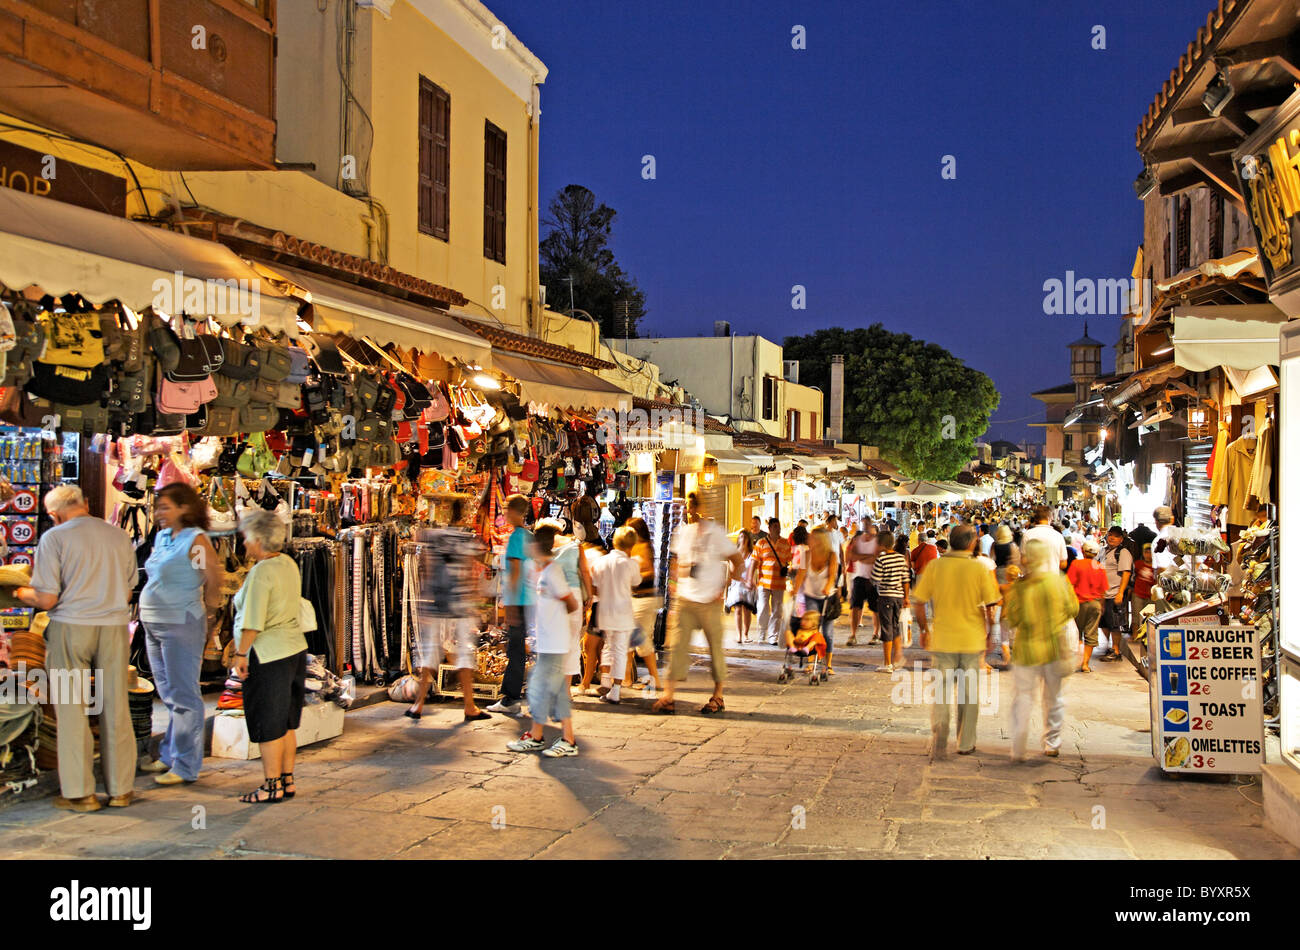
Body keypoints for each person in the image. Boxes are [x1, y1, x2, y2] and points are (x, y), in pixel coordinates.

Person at [14, 485, 137, 812]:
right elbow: (127, 593)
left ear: (54, 515)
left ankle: (81, 794)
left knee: (71, 707)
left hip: (72, 626)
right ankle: (121, 790)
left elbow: (47, 598)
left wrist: (21, 593)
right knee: (115, 705)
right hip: (113, 627)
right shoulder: (118, 536)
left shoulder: (54, 539)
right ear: (84, 504)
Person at [137, 483, 224, 786]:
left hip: (181, 622)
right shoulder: (162, 537)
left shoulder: (196, 540)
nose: (159, 512)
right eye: (158, 507)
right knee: (169, 692)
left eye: (165, 507)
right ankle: (169, 754)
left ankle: (186, 764)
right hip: (153, 622)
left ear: (184, 508)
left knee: (185, 693)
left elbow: (212, 581)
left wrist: (210, 619)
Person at [231, 508, 309, 804]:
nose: (244, 544)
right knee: (286, 722)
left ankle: (271, 785)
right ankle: (287, 780)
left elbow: (253, 619)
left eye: (246, 538)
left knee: (267, 723)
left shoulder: (261, 571)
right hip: (293, 649)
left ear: (257, 538)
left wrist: (240, 654)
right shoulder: (288, 563)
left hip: (267, 653)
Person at [910, 525, 1000, 759]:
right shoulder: (978, 568)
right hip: (971, 639)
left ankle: (940, 727)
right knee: (969, 694)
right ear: (971, 543)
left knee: (941, 689)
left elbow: (918, 602)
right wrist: (990, 633)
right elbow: (991, 605)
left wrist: (923, 629)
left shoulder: (936, 567)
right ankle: (965, 741)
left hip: (943, 638)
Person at [654, 492, 742, 715]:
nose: (691, 510)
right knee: (677, 647)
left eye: (694, 505)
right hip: (686, 597)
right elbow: (676, 561)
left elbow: (737, 561)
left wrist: (725, 585)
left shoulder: (717, 533)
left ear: (703, 506)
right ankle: (668, 696)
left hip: (709, 600)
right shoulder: (683, 532)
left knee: (715, 649)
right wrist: (674, 588)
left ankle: (718, 695)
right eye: (689, 506)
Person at [407, 499, 492, 722]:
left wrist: (425, 597)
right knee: (464, 654)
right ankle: (469, 706)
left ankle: (418, 704)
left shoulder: (433, 537)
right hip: (460, 602)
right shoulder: (467, 539)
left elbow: (426, 568)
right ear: (464, 514)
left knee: (430, 653)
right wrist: (476, 598)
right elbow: (469, 570)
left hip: (436, 602)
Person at [1003, 538, 1079, 760]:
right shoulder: (1059, 581)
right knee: (1054, 698)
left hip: (1027, 650)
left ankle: (1018, 745)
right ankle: (1052, 743)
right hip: (1054, 647)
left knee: (1023, 698)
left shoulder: (1021, 586)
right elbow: (1073, 608)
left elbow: (1014, 617)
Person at [507, 524, 580, 756]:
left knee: (541, 689)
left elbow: (572, 603)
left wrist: (555, 617)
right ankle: (542, 736)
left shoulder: (552, 571)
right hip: (548, 641)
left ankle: (562, 739)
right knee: (548, 691)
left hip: (555, 641)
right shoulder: (542, 571)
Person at [488, 495, 532, 715]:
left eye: (506, 509)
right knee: (520, 650)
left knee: (515, 650)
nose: (504, 513)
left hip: (519, 600)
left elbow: (514, 572)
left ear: (515, 512)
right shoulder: (529, 536)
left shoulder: (516, 537)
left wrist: (511, 607)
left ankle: (511, 699)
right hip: (529, 600)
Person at [591, 526, 641, 704]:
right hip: (623, 613)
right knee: (620, 650)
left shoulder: (601, 562)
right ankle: (616, 690)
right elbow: (636, 582)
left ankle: (605, 681)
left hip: (605, 611)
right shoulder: (631, 564)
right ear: (631, 546)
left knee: (607, 647)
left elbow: (593, 585)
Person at [792, 525, 839, 675]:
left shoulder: (831, 555)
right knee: (810, 629)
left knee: (827, 631)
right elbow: (800, 574)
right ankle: (811, 662)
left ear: (820, 541)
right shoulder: (807, 554)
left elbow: (832, 575)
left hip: (827, 597)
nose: (809, 539)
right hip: (811, 595)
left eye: (813, 537)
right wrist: (794, 589)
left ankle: (828, 664)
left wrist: (828, 586)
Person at [625, 516, 663, 694]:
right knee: (631, 640)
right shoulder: (633, 547)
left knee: (640, 640)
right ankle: (627, 678)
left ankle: (654, 678)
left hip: (643, 599)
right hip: (637, 598)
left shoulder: (643, 547)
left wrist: (634, 576)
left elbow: (649, 571)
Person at [871, 531, 911, 672]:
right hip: (899, 597)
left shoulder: (881, 559)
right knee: (895, 627)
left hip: (886, 596)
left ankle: (887, 663)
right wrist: (906, 597)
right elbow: (906, 579)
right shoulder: (901, 559)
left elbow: (875, 578)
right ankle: (896, 659)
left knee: (887, 629)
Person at [1067, 538, 1107, 672]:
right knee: (1091, 633)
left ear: (1083, 551)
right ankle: (1085, 664)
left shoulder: (1076, 564)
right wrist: (1101, 605)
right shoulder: (1100, 566)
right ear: (1096, 554)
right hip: (1094, 604)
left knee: (1076, 633)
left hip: (1078, 603)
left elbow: (1069, 585)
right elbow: (1103, 590)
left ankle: (1076, 660)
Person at [754, 517, 793, 647]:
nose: (778, 528)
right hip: (763, 581)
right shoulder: (761, 543)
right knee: (763, 608)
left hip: (779, 582)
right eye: (775, 526)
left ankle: (773, 635)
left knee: (777, 610)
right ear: (769, 528)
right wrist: (751, 578)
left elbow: (790, 560)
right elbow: (755, 562)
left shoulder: (785, 543)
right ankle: (762, 632)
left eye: (779, 526)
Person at [1096, 527, 1133, 662]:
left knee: (1115, 624)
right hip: (1103, 594)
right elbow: (1096, 568)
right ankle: (1111, 648)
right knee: (1104, 623)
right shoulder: (1103, 551)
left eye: (1116, 536)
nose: (1112, 538)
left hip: (1115, 593)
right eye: (1110, 535)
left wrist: (1120, 593)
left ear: (1121, 539)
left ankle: (1116, 651)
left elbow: (1126, 573)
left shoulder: (1123, 553)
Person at [989, 525, 1021, 668]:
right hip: (1010, 571)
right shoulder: (1012, 545)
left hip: (999, 572)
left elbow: (992, 559)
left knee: (1002, 596)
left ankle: (1000, 611)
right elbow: (1016, 560)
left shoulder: (994, 545)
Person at [845, 519, 880, 646]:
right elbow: (851, 557)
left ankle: (876, 634)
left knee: (875, 609)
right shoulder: (857, 540)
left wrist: (860, 556)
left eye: (867, 524)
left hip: (873, 578)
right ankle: (853, 635)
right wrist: (867, 557)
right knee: (855, 608)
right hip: (859, 577)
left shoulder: (876, 541)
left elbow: (875, 558)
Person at [727, 530, 758, 643]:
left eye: (745, 537)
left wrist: (753, 582)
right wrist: (743, 580)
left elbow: (754, 570)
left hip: (749, 585)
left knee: (747, 610)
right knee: (738, 609)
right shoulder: (734, 554)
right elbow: (731, 572)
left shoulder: (752, 553)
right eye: (741, 537)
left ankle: (746, 634)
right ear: (738, 540)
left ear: (748, 540)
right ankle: (739, 635)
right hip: (737, 585)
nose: (743, 539)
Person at [1022, 505, 1068, 572]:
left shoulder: (1028, 535)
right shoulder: (1058, 536)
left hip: (1033, 579)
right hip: (1052, 578)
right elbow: (1063, 564)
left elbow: (1023, 561)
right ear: (1050, 518)